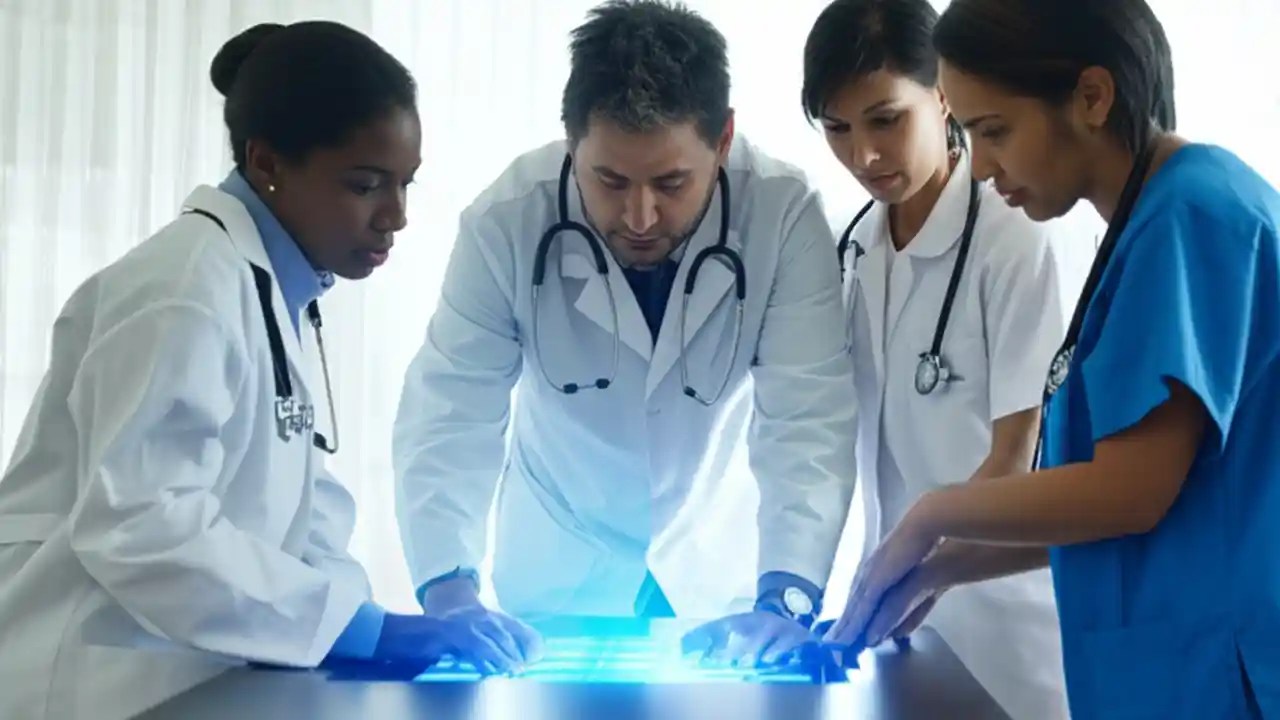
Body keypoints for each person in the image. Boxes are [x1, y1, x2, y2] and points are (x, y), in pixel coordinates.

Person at [0, 22, 513, 720]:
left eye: (404, 185)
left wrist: (363, 625)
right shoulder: (185, 290)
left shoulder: (273, 290)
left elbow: (301, 504)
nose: (394, 217)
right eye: (365, 185)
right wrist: (363, 630)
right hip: (91, 680)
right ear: (266, 161)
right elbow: (143, 525)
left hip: (187, 678)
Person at [825, 0, 1279, 717]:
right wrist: (937, 568)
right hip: (1169, 671)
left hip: (1219, 676)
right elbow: (1096, 502)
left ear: (1092, 97)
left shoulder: (1193, 215)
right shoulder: (1146, 227)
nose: (979, 169)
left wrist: (931, 514)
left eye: (994, 131)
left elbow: (1130, 491)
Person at [393, 0, 857, 665]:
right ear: (570, 137)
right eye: (608, 180)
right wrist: (449, 590)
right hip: (557, 578)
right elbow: (451, 412)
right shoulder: (506, 220)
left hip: (718, 589)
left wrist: (787, 595)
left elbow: (808, 419)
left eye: (671, 183)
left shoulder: (782, 215)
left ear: (723, 142)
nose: (640, 216)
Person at [798, 1, 1071, 716]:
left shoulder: (1010, 236)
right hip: (898, 629)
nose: (864, 155)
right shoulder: (851, 249)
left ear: (943, 93)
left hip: (1006, 635)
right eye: (838, 128)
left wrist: (913, 565)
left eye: (887, 119)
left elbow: (1018, 458)